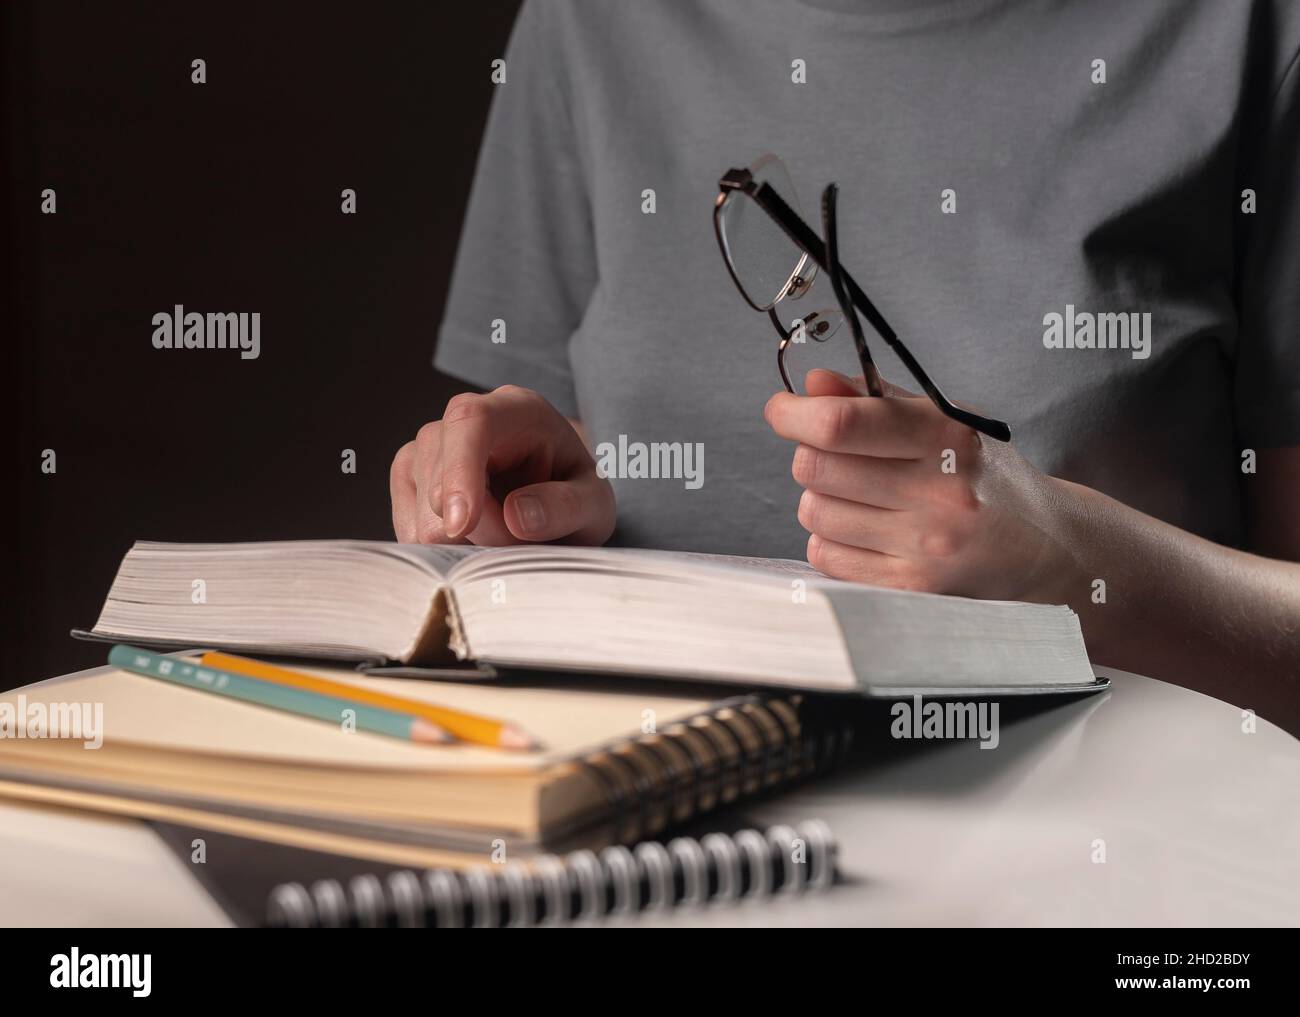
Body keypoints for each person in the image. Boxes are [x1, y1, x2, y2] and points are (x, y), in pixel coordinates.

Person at [391, 0, 1300, 733]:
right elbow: (602, 450)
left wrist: (1080, 566)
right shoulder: (588, 24)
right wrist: (513, 510)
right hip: (655, 843)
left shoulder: (1250, 30)